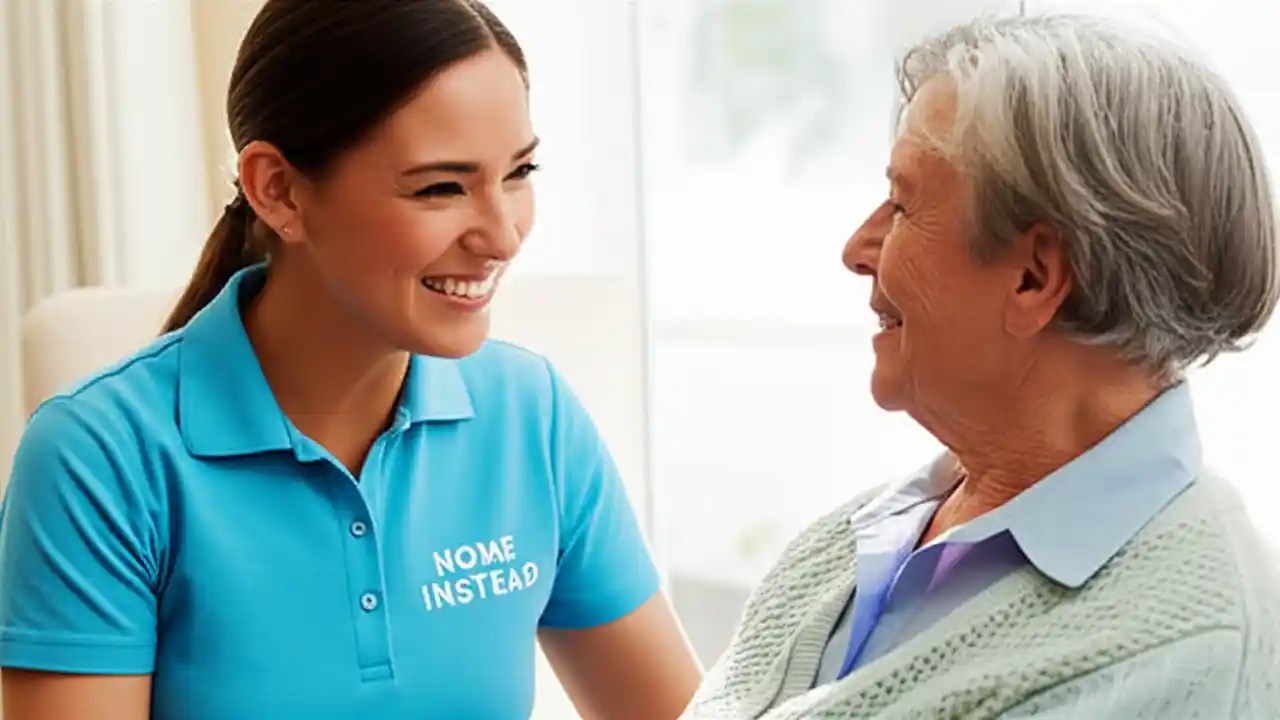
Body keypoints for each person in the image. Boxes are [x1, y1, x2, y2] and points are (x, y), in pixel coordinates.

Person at [0, 1, 701, 718]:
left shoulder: (533, 419)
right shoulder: (99, 460)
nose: (503, 235)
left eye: (519, 171)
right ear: (278, 189)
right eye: (441, 187)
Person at [684, 14, 1280, 719]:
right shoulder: (860, 537)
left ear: (1033, 277)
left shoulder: (1183, 651)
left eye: (902, 205)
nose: (857, 248)